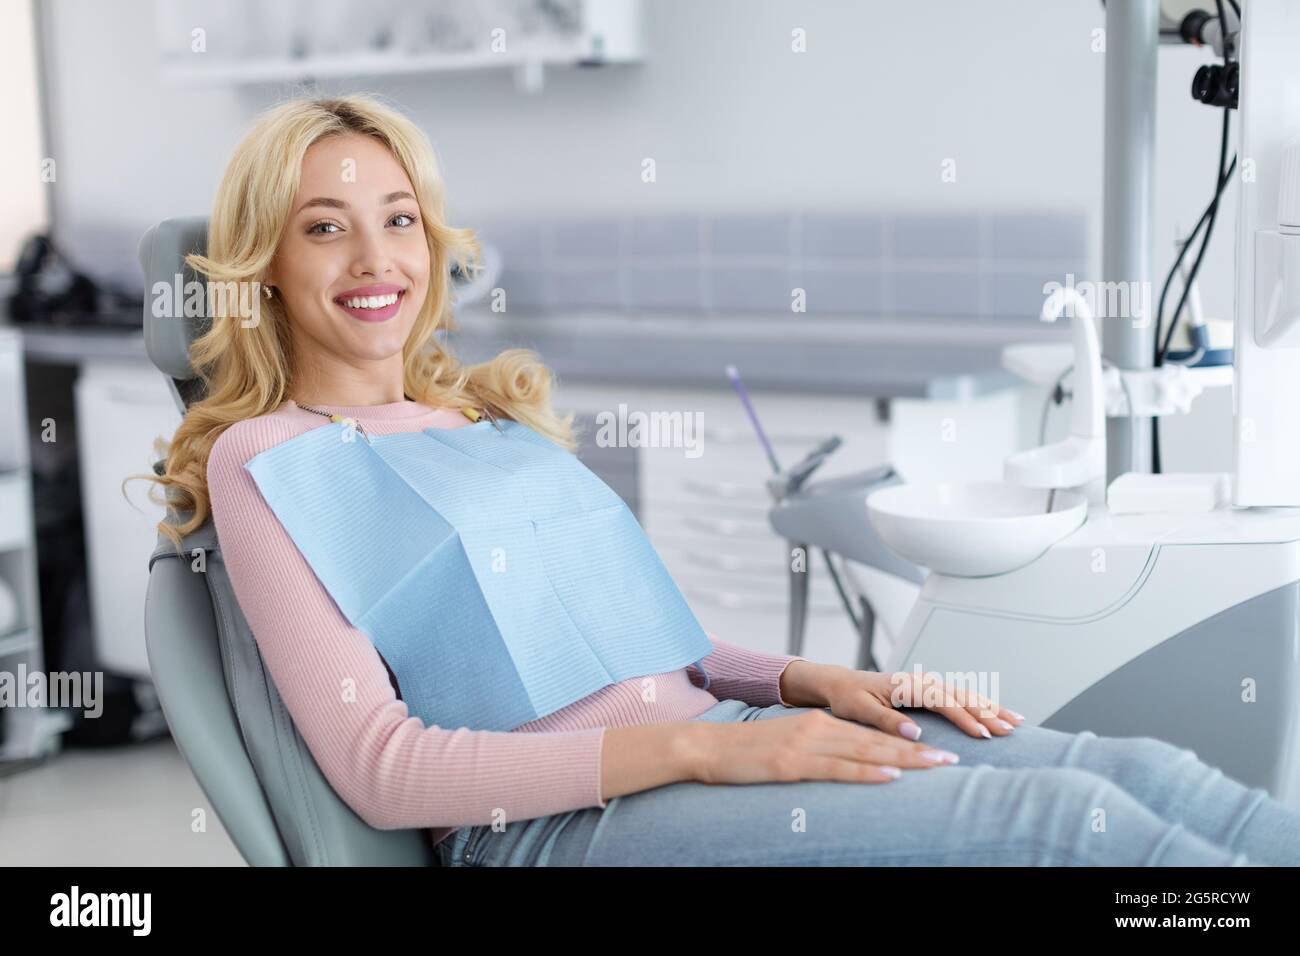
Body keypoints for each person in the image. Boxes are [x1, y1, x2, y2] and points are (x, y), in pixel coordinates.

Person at [139, 93, 1300, 867]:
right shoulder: (267, 458)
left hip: (716, 729)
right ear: (266, 268)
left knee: (1131, 769)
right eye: (325, 228)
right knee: (1063, 826)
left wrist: (811, 679)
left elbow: (638, 645)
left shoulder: (476, 416)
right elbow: (385, 770)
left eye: (397, 218)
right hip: (560, 827)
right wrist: (716, 749)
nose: (376, 257)